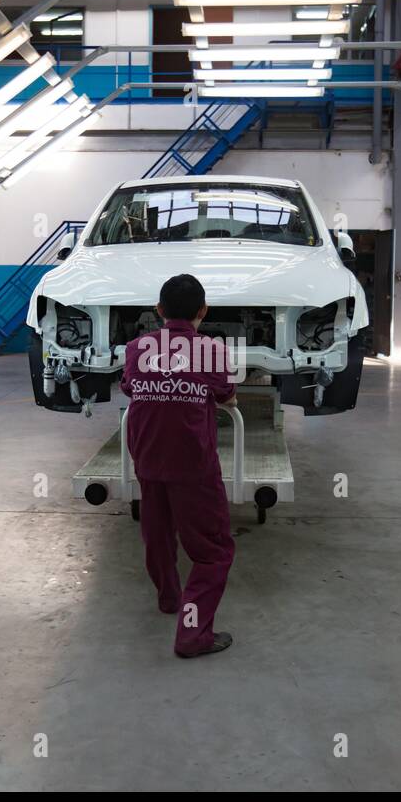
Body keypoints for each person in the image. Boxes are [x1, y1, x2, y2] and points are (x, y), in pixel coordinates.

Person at [120, 274, 237, 658]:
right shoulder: (212, 352)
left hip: (148, 460)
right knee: (212, 552)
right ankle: (192, 635)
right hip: (194, 467)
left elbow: (128, 386)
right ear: (203, 310)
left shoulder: (137, 348)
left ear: (158, 310)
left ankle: (170, 598)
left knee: (157, 536)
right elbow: (226, 395)